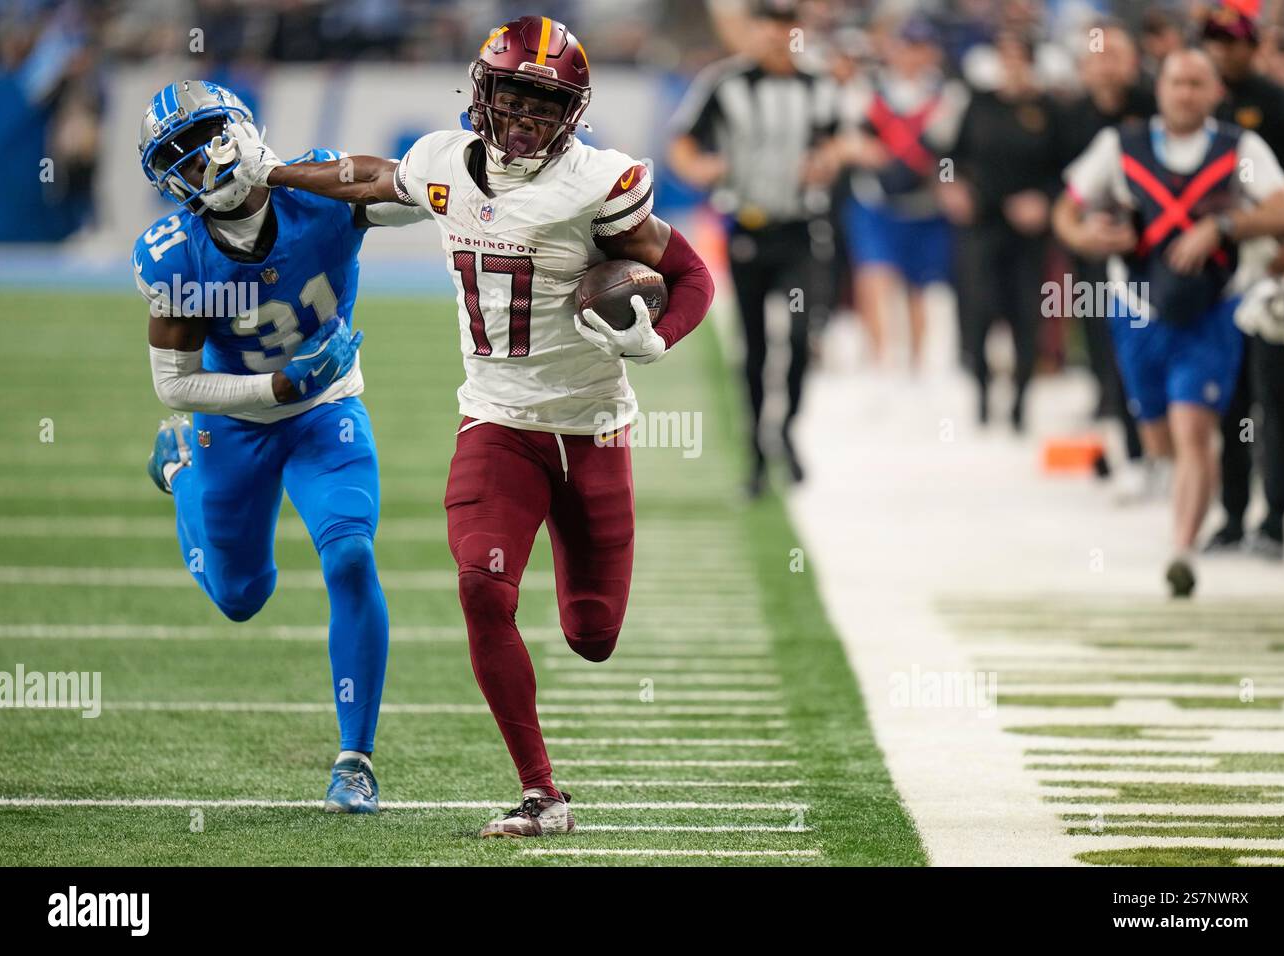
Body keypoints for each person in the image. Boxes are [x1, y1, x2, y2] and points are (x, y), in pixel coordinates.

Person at [229, 16, 715, 837]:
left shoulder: (597, 183)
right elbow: (369, 178)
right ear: (482, 92)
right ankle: (541, 793)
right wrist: (273, 171)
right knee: (483, 590)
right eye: (513, 97)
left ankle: (566, 687)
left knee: (592, 635)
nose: (523, 118)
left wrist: (656, 339)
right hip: (496, 422)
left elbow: (690, 271)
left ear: (571, 112)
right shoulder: (443, 164)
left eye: (542, 103)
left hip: (593, 426)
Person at [134, 80, 388, 812]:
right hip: (234, 423)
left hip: (328, 412)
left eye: (206, 137)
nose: (199, 162)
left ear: (242, 127)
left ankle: (355, 760)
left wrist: (278, 173)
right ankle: (180, 468)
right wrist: (275, 389)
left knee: (350, 551)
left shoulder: (321, 192)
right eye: (176, 157)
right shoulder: (176, 257)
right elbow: (175, 387)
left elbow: (407, 185)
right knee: (242, 598)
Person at [1053, 49, 1284, 597]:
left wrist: (1224, 226)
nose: (1185, 93)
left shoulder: (1240, 148)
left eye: (1196, 83)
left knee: (1196, 429)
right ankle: (1161, 475)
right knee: (1158, 431)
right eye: (1176, 82)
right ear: (1159, 88)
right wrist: (1086, 237)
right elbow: (1067, 207)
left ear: (1214, 93)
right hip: (1136, 304)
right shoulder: (1122, 144)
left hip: (1213, 308)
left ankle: (1182, 547)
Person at [667, 0, 840, 494]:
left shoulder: (818, 83)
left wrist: (827, 160)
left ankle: (787, 430)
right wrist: (700, 169)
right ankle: (758, 450)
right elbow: (682, 140)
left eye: (785, 25)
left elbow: (837, 138)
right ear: (754, 29)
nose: (775, 35)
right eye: (767, 25)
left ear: (796, 31)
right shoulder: (725, 83)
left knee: (803, 335)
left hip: (801, 228)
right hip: (747, 227)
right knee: (755, 345)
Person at [1200, 7, 1284, 559]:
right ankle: (1233, 514)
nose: (1223, 50)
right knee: (1228, 403)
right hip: (1218, 278)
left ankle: (1275, 518)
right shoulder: (1199, 110)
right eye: (1213, 40)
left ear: (1252, 45)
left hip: (1275, 275)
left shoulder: (1282, 107)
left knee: (1275, 399)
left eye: (1233, 40)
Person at [943, 31, 1064, 431]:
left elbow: (1068, 170)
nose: (1010, 67)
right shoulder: (979, 105)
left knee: (1026, 314)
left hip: (1028, 232)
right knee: (979, 308)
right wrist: (952, 186)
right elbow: (949, 157)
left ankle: (1020, 403)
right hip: (982, 222)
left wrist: (1046, 201)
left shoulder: (1048, 110)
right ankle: (980, 394)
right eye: (1004, 58)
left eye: (1018, 58)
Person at [1060, 21, 1157, 500]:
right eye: (1099, 56)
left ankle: (1169, 453)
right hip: (1099, 257)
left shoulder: (1157, 110)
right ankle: (1135, 453)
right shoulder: (1076, 119)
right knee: (1112, 353)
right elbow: (1063, 197)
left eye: (1116, 54)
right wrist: (1081, 234)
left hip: (1161, 253)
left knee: (1163, 351)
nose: (1108, 65)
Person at [839, 15, 968, 372]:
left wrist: (943, 176)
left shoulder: (948, 96)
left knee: (918, 286)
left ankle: (915, 364)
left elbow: (952, 152)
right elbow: (847, 138)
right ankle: (877, 362)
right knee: (874, 276)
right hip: (875, 200)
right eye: (906, 47)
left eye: (921, 48)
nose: (912, 56)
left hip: (922, 204)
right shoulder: (867, 89)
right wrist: (864, 149)